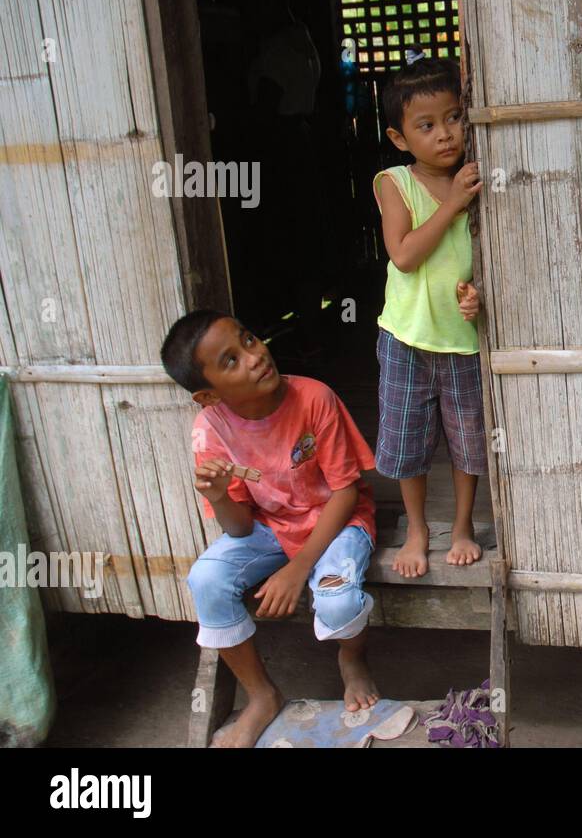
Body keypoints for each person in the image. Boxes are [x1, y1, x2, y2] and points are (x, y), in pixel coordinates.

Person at [160, 310, 380, 747]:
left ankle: (352, 659)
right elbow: (239, 530)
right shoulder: (210, 431)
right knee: (206, 579)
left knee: (336, 602)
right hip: (269, 527)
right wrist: (221, 495)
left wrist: (298, 569)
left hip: (337, 522)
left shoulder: (313, 397)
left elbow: (346, 493)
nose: (255, 355)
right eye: (230, 361)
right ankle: (262, 695)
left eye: (249, 339)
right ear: (207, 396)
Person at [373, 55, 486, 577]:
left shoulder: (479, 179)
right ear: (400, 139)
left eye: (454, 117)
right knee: (407, 440)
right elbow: (404, 255)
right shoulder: (394, 182)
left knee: (469, 442)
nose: (445, 134)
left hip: (462, 340)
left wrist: (479, 297)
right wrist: (452, 205)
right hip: (408, 340)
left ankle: (461, 525)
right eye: (426, 125)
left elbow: (487, 258)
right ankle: (418, 529)